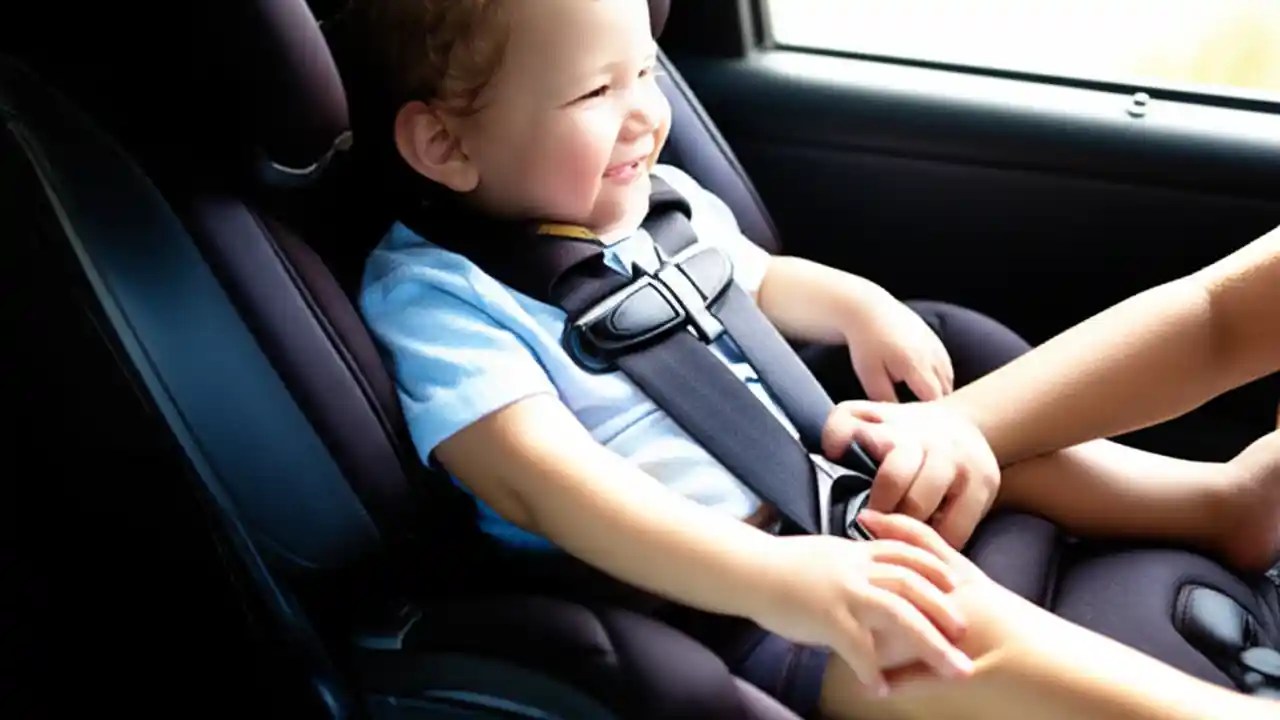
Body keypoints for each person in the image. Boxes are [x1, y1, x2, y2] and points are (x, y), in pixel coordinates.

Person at [342, 0, 1279, 716]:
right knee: (944, 634)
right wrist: (777, 580)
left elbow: (758, 278)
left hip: (817, 487)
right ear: (444, 143)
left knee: (955, 443)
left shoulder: (651, 200)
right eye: (596, 92)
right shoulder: (438, 302)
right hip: (716, 602)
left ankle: (1215, 503)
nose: (645, 116)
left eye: (644, 71)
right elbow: (546, 485)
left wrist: (862, 308)